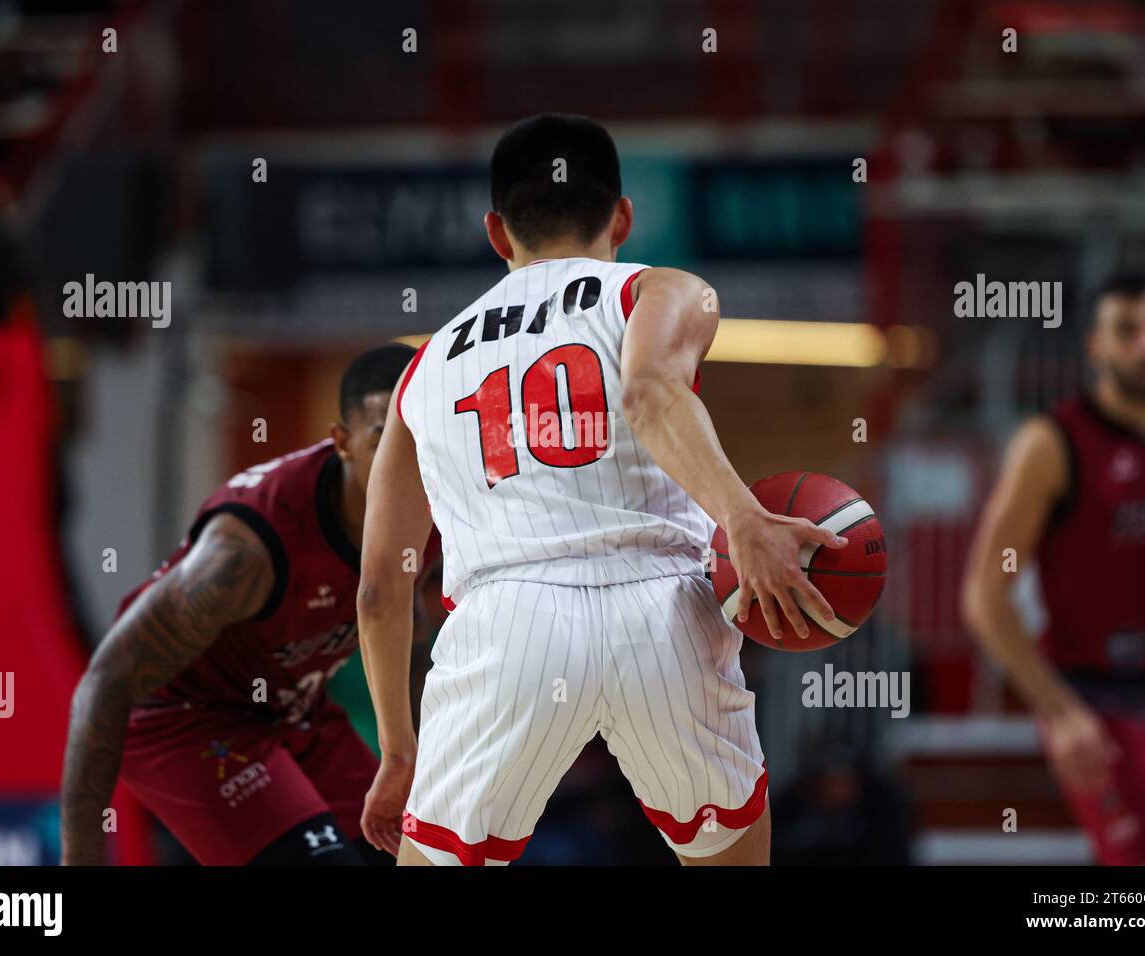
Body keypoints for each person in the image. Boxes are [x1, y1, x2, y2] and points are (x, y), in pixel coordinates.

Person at [355, 113, 846, 867]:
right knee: (729, 854)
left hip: (506, 629)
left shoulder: (423, 364)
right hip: (664, 614)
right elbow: (650, 395)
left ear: (496, 232)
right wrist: (742, 519)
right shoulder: (664, 289)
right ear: (622, 216)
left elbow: (383, 588)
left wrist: (397, 749)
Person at [61, 345, 438, 865]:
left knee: (415, 857)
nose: (406, 461)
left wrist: (418, 751)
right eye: (386, 441)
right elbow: (103, 685)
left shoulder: (432, 507)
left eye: (423, 440)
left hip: (293, 709)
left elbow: (413, 632)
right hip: (188, 721)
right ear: (341, 442)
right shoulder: (244, 553)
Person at [963, 273, 1145, 865]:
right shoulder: (1051, 445)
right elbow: (983, 596)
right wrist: (1058, 711)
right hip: (1102, 703)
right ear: (1095, 347)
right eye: (1127, 331)